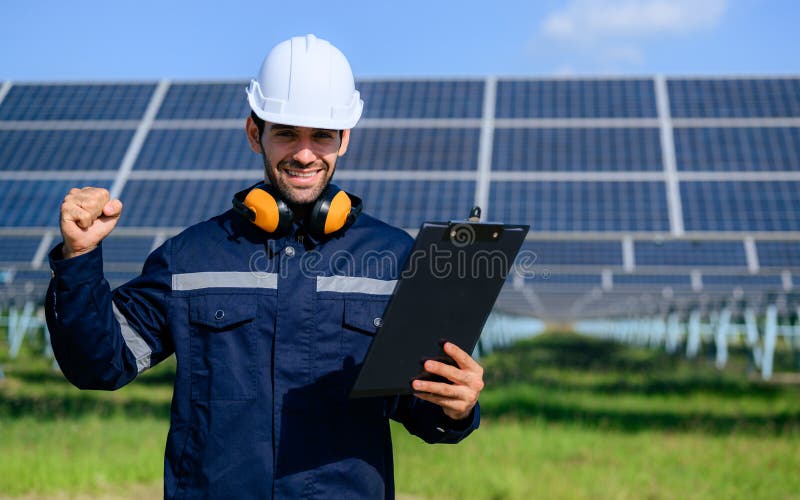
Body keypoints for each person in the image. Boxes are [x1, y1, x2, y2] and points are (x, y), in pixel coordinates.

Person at [45, 34, 484, 499]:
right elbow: (98, 365)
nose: (305, 152)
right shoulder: (191, 258)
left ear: (344, 140)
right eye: (287, 133)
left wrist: (455, 407)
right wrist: (79, 258)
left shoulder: (397, 260)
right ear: (255, 133)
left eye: (322, 135)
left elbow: (419, 405)